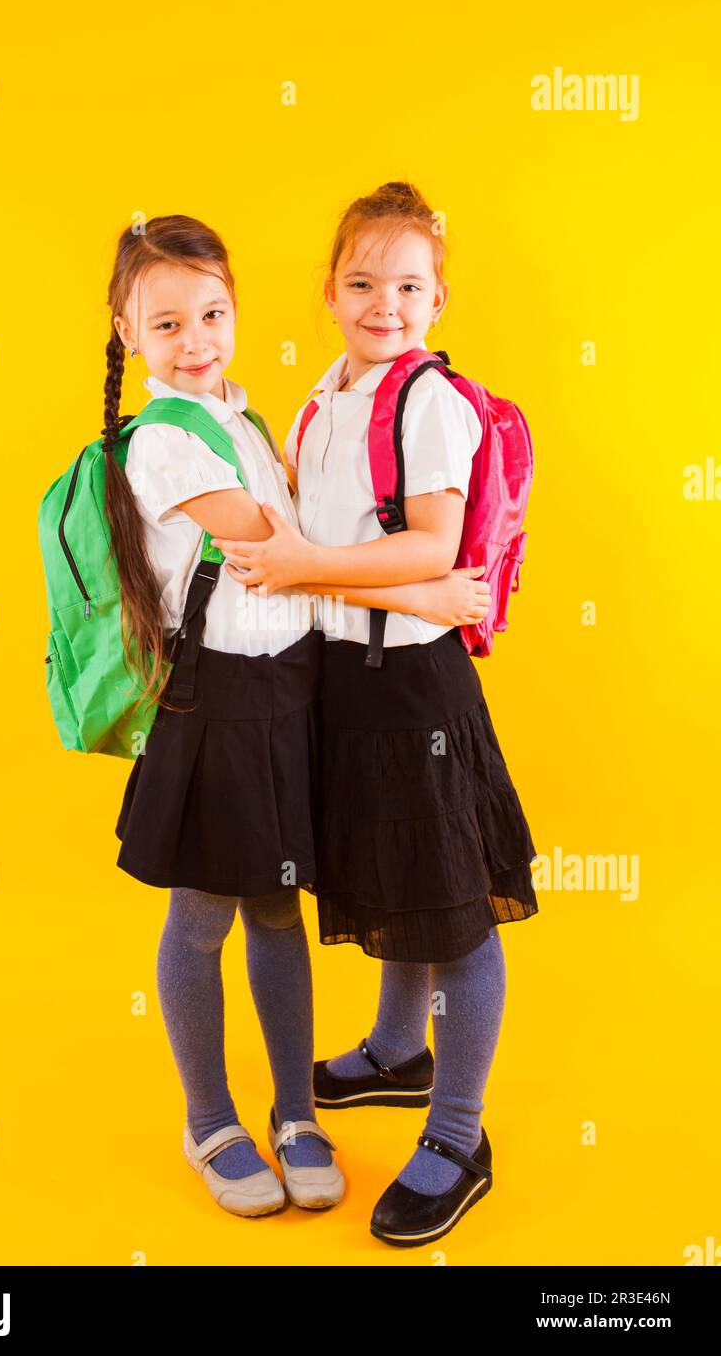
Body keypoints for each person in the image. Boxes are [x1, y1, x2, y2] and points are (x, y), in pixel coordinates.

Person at [211, 181, 539, 1245]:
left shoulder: (426, 402)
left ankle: (457, 1130)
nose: (382, 302)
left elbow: (435, 549)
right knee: (393, 873)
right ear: (328, 291)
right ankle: (398, 1051)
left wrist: (317, 568)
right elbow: (371, 560)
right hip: (343, 683)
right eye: (361, 281)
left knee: (451, 901)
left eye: (407, 285)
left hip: (414, 689)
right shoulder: (322, 395)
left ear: (439, 297)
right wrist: (338, 575)